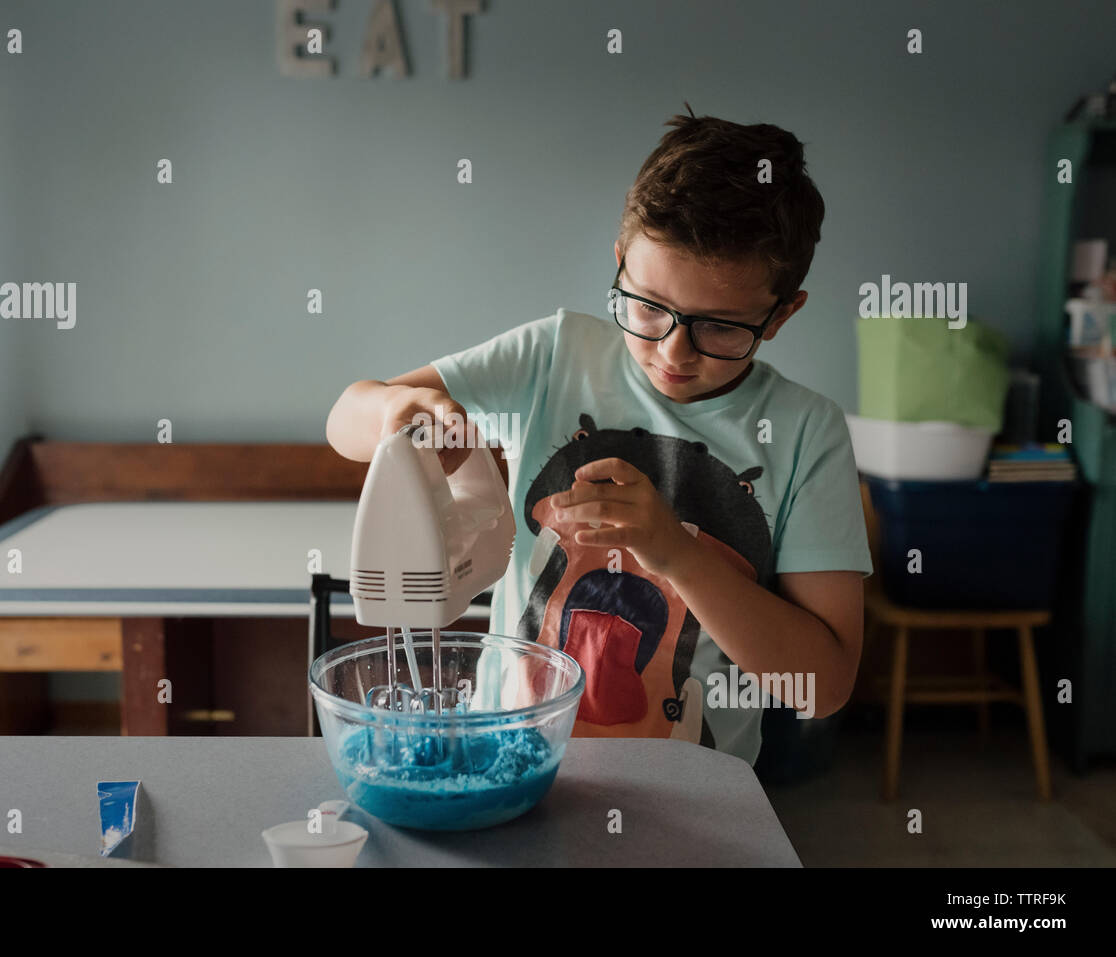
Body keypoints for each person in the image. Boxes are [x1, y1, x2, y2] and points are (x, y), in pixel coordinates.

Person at [326, 108, 872, 765]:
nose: (673, 352)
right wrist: (397, 413)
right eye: (647, 308)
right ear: (620, 263)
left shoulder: (808, 433)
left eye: (721, 328)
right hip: (507, 766)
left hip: (695, 804)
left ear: (782, 314)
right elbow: (345, 417)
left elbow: (824, 686)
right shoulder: (556, 355)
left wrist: (674, 550)